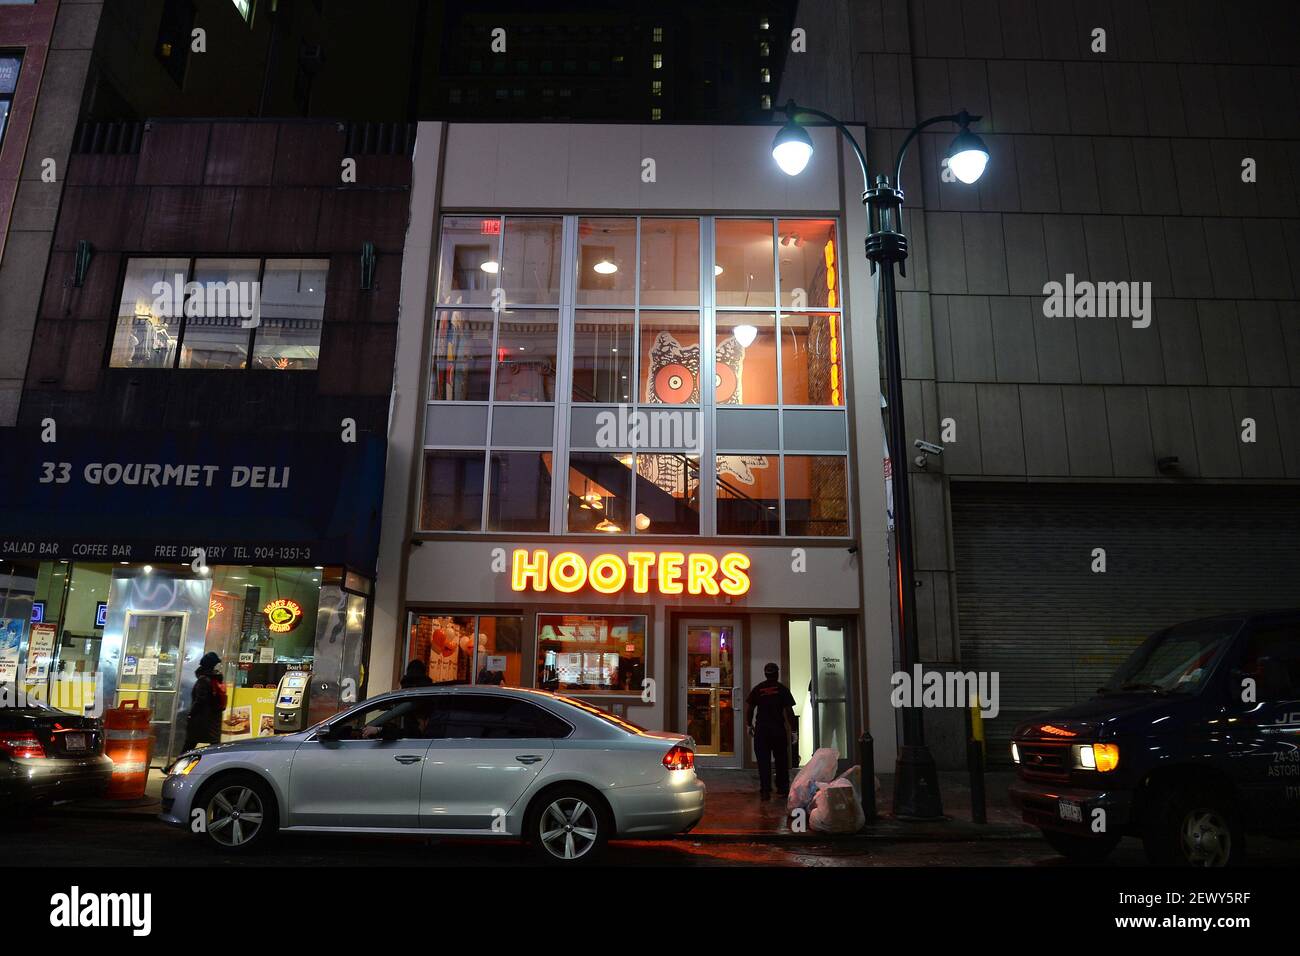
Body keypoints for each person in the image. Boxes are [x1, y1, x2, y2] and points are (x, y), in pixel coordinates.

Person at [745, 662, 797, 799]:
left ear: (765, 673)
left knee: (763, 761)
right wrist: (794, 731)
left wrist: (749, 725)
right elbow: (789, 711)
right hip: (778, 730)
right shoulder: (782, 689)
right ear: (777, 674)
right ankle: (782, 789)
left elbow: (750, 709)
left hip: (762, 730)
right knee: (781, 760)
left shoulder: (758, 689)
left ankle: (765, 791)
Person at [182, 652, 226, 753]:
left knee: (189, 745)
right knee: (214, 747)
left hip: (202, 719)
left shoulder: (204, 680)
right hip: (214, 718)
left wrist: (191, 714)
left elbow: (200, 700)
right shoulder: (216, 678)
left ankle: (174, 767)